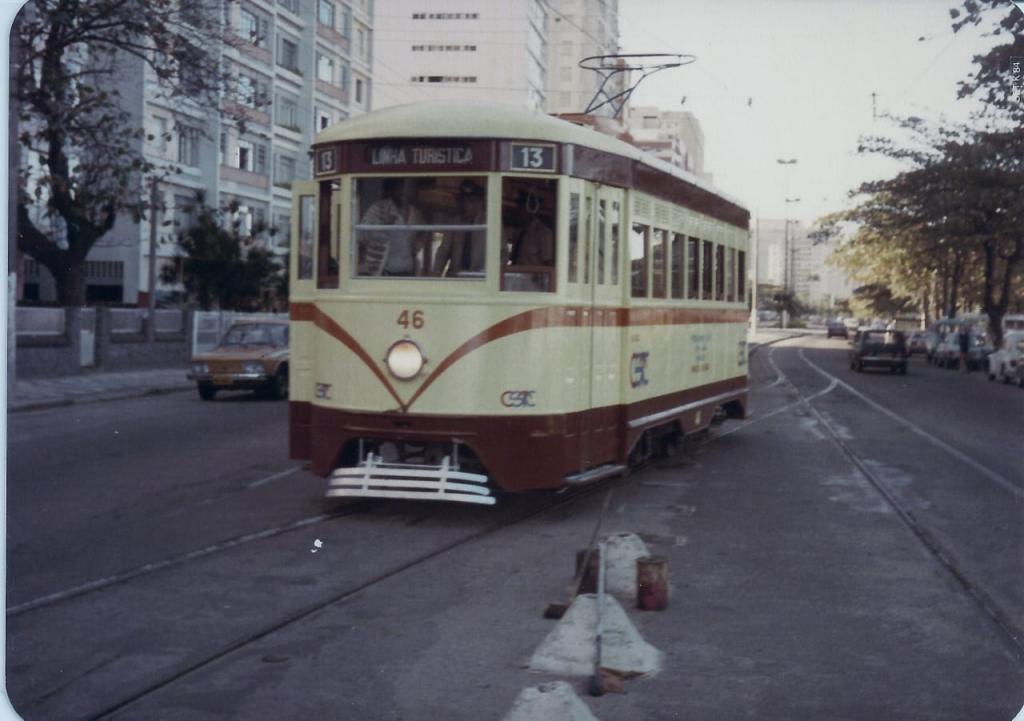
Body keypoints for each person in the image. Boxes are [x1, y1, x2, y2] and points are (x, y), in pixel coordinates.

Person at [357, 178, 425, 276]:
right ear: (393, 189)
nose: (404, 192)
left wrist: (418, 244)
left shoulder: (416, 213)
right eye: (400, 188)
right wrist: (383, 225)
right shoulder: (378, 208)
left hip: (408, 272)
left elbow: (424, 231)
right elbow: (362, 235)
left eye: (408, 188)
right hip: (382, 272)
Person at [433, 180, 486, 277]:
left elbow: (502, 254)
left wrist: (491, 275)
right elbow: (444, 251)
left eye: (470, 201)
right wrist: (436, 274)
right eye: (463, 201)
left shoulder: (490, 223)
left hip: (481, 279)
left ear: (479, 203)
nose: (466, 205)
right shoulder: (455, 223)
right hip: (456, 278)